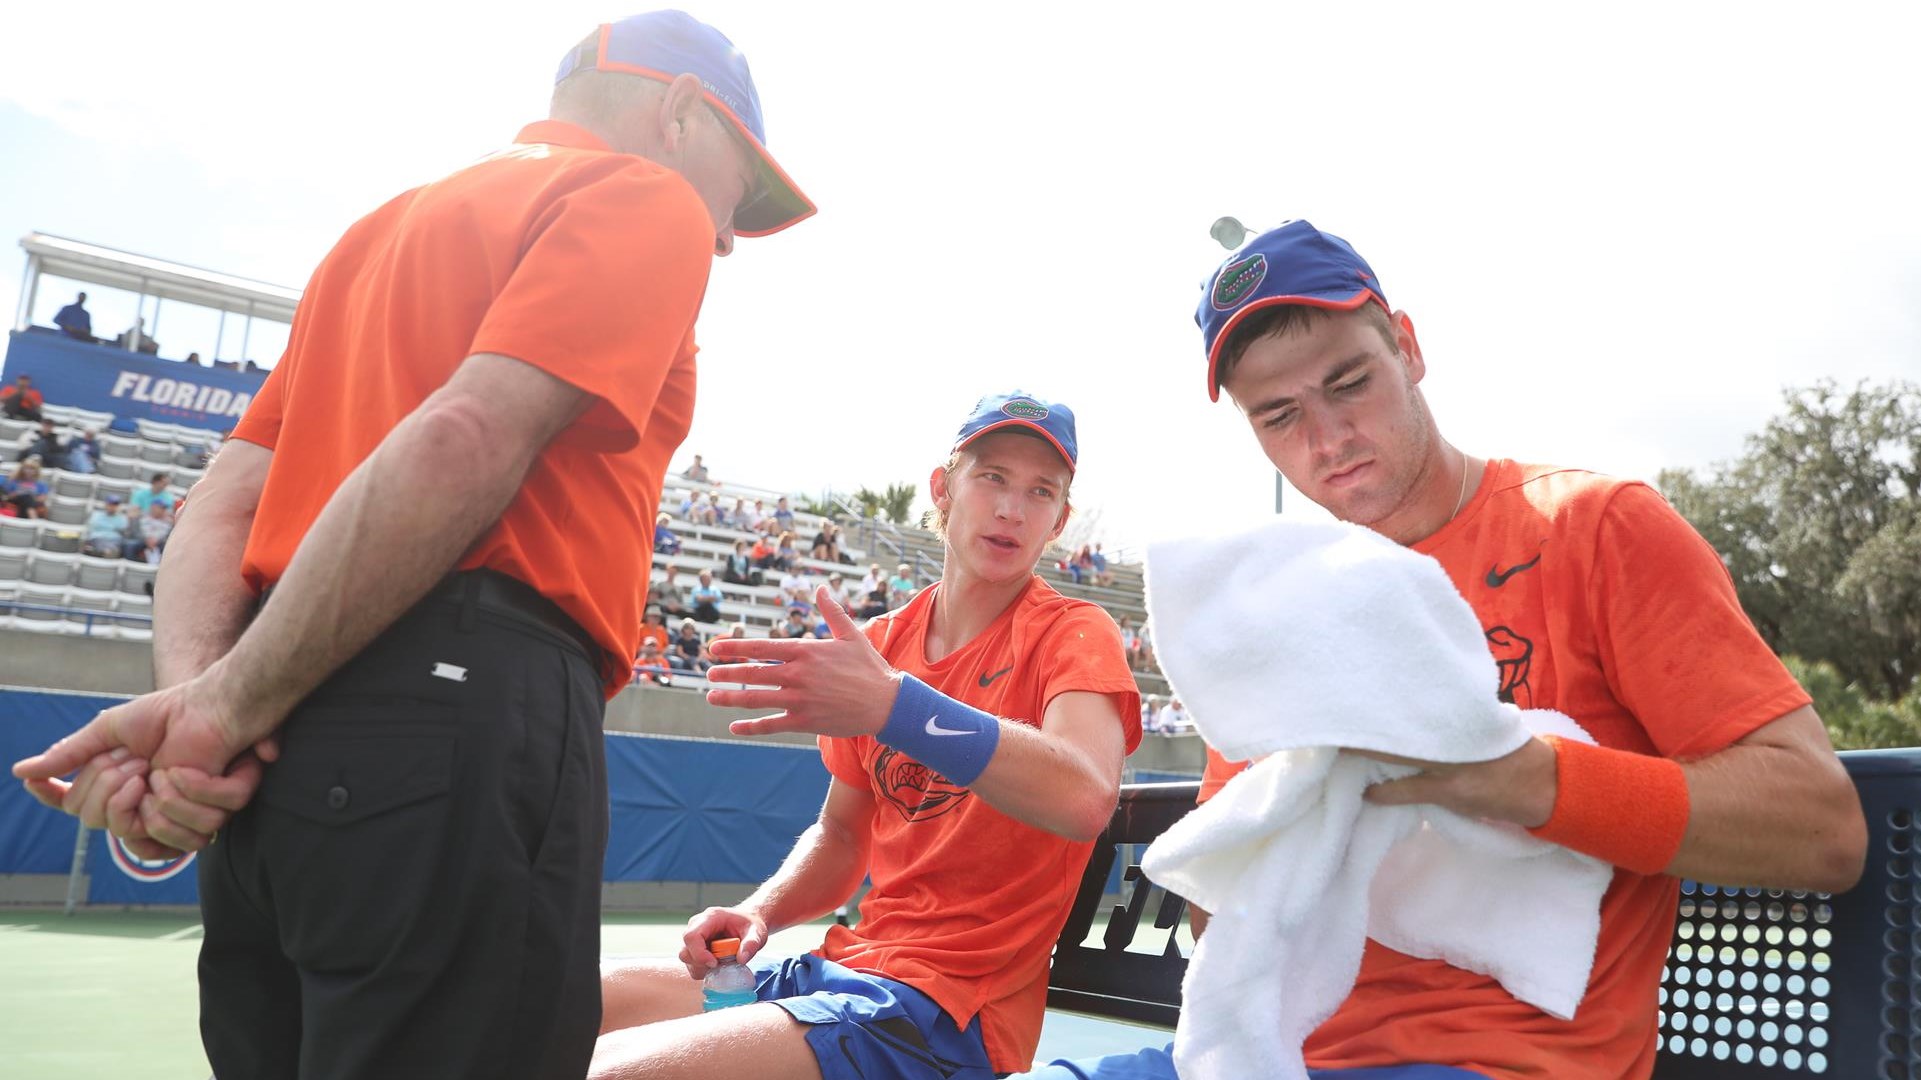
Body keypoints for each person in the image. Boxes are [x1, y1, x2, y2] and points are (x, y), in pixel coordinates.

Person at [11, 12, 814, 1080]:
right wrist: (215, 713)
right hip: (460, 700)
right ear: (678, 114)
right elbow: (465, 432)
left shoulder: (382, 228)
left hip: (283, 733)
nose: (723, 232)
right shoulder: (640, 195)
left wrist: (206, 714)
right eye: (738, 186)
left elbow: (224, 501)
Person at [1014, 221, 1867, 1080]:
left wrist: (1518, 779)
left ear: (1408, 348)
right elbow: (1231, 899)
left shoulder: (1596, 526)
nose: (1327, 438)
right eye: (1279, 416)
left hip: (1506, 1062)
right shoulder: (1283, 605)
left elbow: (1821, 830)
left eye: (1349, 383)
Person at [594, 392, 1141, 1080]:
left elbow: (1087, 797)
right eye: (992, 477)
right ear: (943, 489)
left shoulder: (1072, 631)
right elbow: (842, 836)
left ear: (1058, 520)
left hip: (945, 1011)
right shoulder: (882, 645)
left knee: (614, 1074)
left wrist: (897, 708)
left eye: (1040, 491)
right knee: (554, 1005)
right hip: (843, 967)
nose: (1012, 509)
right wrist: (756, 914)